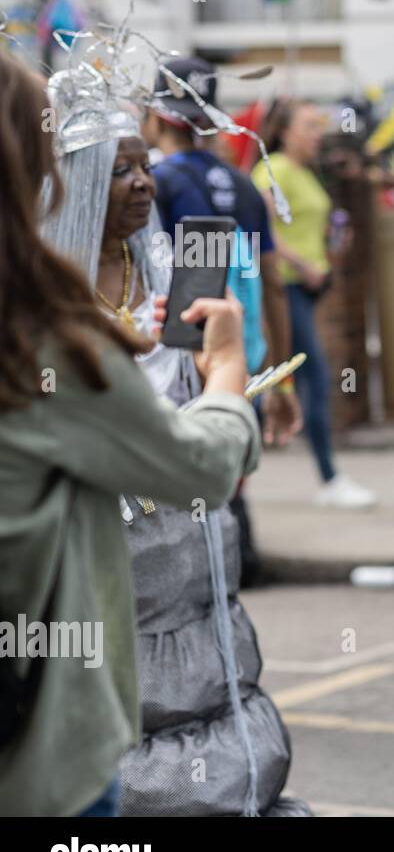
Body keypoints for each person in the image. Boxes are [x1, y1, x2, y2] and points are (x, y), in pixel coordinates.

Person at [34, 46, 309, 816]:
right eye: (121, 172)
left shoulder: (165, 260)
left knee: (204, 677)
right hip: (109, 538)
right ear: (77, 183)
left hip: (184, 525)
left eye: (144, 168)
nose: (144, 185)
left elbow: (193, 378)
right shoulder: (45, 302)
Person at [141, 55, 302, 586]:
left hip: (182, 353)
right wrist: (281, 375)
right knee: (228, 462)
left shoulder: (150, 184)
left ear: (157, 118)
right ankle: (238, 557)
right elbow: (273, 284)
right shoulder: (241, 184)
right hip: (243, 352)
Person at [253, 99, 377, 508]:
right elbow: (262, 231)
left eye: (318, 125)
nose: (316, 133)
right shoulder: (272, 171)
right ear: (284, 131)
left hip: (307, 290)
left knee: (282, 380)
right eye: (308, 125)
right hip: (283, 289)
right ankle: (329, 478)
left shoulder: (305, 172)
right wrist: (301, 264)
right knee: (311, 378)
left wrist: (329, 244)